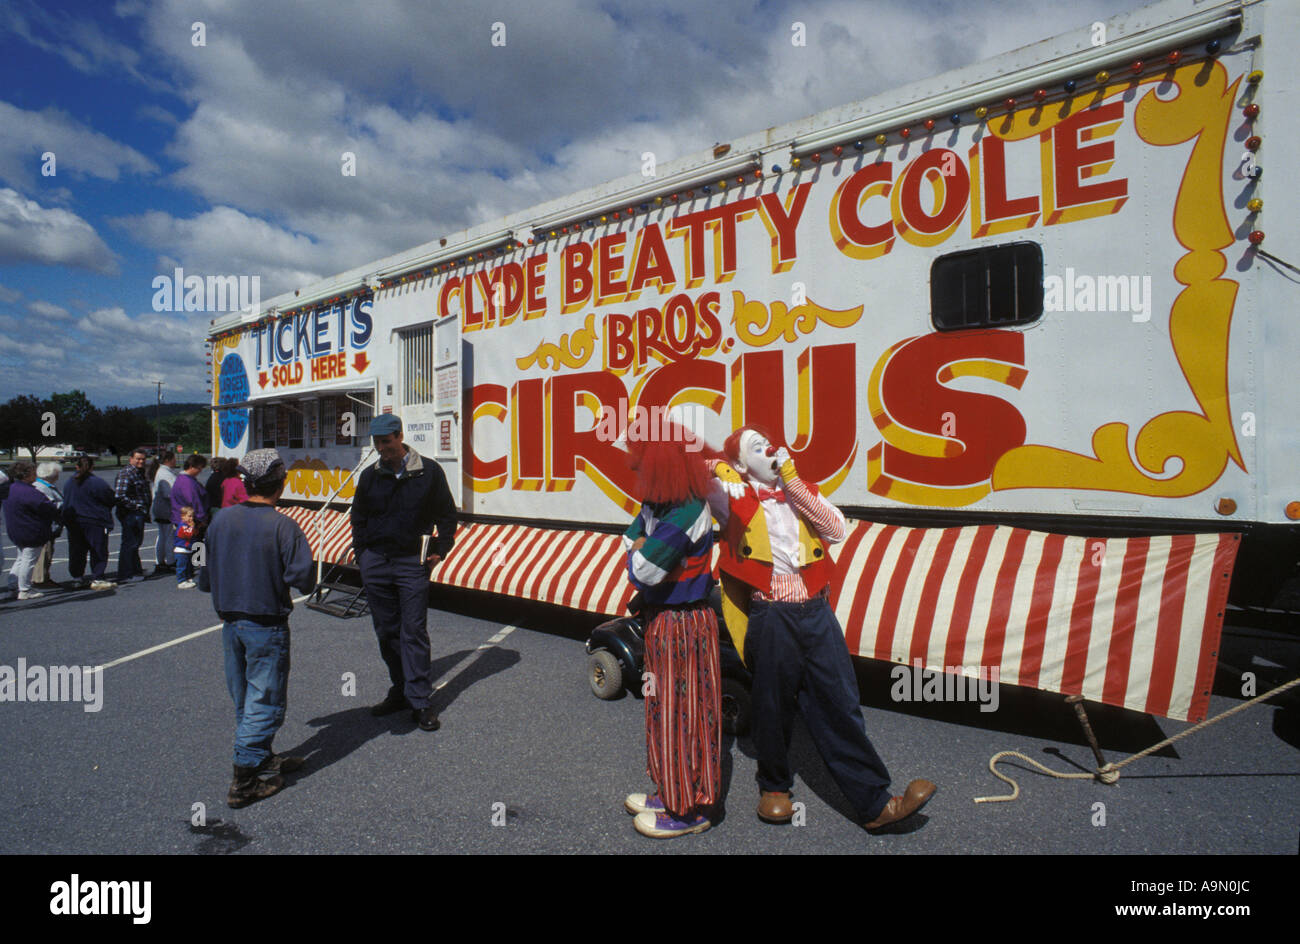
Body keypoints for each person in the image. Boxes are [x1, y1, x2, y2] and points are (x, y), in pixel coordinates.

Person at [710, 425, 936, 832]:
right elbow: (699, 481)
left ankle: (875, 804)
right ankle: (774, 787)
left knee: (839, 699)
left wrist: (793, 482)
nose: (769, 449)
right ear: (742, 465)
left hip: (816, 611)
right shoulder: (734, 497)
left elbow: (835, 529)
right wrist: (723, 470)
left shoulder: (800, 490)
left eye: (768, 443)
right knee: (771, 704)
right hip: (771, 614)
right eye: (756, 448)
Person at [198, 448, 315, 808]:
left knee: (245, 698)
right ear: (282, 481)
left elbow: (205, 577)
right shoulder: (283, 525)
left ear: (245, 483)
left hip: (230, 623)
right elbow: (304, 580)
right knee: (265, 700)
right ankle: (244, 778)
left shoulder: (221, 521)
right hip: (266, 624)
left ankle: (261, 756)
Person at [620, 428, 722, 839]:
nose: (640, 470)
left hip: (684, 622)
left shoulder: (687, 510)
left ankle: (689, 808)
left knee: (687, 714)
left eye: (645, 463)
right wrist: (639, 547)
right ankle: (669, 788)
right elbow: (630, 541)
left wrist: (639, 550)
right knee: (662, 708)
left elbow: (643, 570)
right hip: (663, 621)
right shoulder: (659, 504)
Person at [350, 414, 457, 731]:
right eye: (377, 443)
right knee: (387, 633)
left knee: (413, 632)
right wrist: (362, 554)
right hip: (376, 563)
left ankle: (420, 701)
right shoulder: (370, 476)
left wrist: (441, 549)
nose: (382, 449)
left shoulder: (429, 472)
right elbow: (359, 518)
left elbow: (446, 514)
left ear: (400, 436)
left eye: (386, 442)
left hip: (412, 563)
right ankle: (400, 690)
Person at [4, 461, 60, 601]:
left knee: (20, 559)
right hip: (31, 530)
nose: (36, 475)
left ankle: (13, 585)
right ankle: (24, 589)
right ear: (27, 474)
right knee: (28, 560)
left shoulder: (10, 488)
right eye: (34, 472)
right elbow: (48, 507)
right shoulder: (30, 492)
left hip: (15, 529)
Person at [62, 456, 117, 590]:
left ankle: (77, 577)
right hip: (94, 520)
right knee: (97, 549)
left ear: (77, 467)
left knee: (77, 550)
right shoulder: (97, 483)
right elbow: (110, 499)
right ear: (92, 467)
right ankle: (97, 577)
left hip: (74, 521)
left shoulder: (69, 482)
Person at [113, 449, 150, 583]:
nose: (140, 461)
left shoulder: (139, 473)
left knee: (135, 543)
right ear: (131, 459)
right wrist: (137, 506)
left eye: (143, 459)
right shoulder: (126, 473)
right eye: (138, 459)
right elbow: (120, 496)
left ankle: (135, 571)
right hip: (130, 514)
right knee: (129, 543)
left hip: (138, 514)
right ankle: (125, 574)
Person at [30, 462, 64, 590]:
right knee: (44, 552)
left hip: (50, 525)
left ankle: (43, 577)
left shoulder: (46, 486)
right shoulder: (42, 487)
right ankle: (40, 579)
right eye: (57, 473)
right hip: (45, 525)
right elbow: (47, 506)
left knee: (48, 552)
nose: (58, 476)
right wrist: (62, 505)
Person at [151, 449, 178, 574]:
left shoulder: (160, 471)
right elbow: (170, 493)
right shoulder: (165, 473)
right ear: (168, 460)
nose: (175, 460)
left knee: (162, 535)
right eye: (174, 458)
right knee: (168, 536)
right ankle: (170, 561)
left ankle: (160, 560)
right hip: (166, 508)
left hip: (159, 508)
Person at [174, 506, 199, 589]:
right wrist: (192, 527)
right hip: (181, 550)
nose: (191, 518)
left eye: (192, 516)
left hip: (188, 550)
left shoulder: (188, 525)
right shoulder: (182, 526)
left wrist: (194, 527)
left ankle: (187, 578)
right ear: (183, 516)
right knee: (182, 567)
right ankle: (181, 581)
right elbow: (187, 535)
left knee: (188, 566)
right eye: (189, 516)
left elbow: (194, 534)